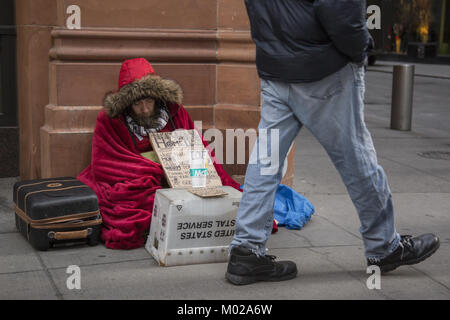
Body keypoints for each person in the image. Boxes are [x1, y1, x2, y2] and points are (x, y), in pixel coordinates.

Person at [226, 0, 440, 285]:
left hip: (276, 66)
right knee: (356, 160)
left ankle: (246, 251)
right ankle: (383, 246)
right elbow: (342, 13)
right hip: (323, 69)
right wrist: (361, 48)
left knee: (264, 163)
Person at [77, 58, 242, 249]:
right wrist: (156, 169)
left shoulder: (175, 112)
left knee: (214, 196)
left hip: (179, 172)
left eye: (149, 101)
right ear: (127, 103)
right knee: (139, 204)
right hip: (139, 176)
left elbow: (196, 145)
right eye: (138, 104)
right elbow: (107, 161)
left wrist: (196, 170)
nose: (145, 109)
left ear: (157, 98)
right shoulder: (110, 119)